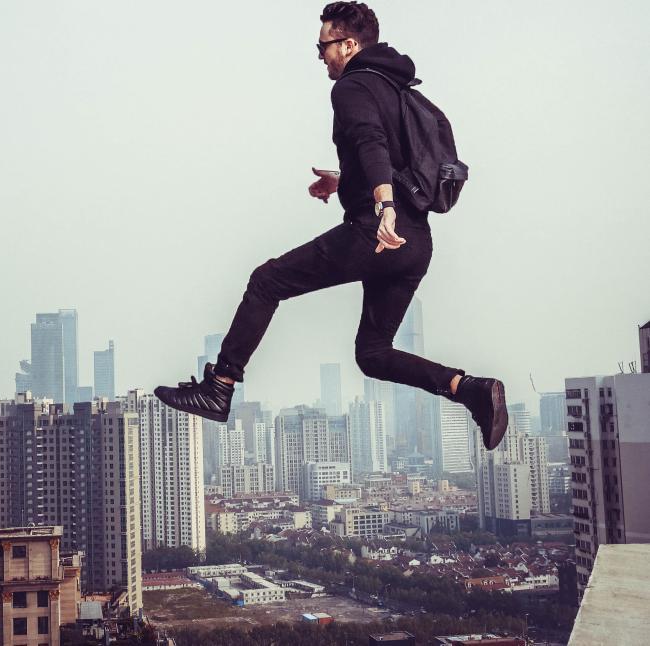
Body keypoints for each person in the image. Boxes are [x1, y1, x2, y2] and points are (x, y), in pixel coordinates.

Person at [154, 1, 508, 450]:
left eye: (323, 46)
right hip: (417, 243)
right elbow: (389, 158)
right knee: (373, 353)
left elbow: (370, 143)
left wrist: (383, 208)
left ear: (349, 43)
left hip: (380, 232)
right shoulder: (399, 90)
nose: (319, 55)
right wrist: (343, 183)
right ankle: (470, 389)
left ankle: (219, 386)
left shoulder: (352, 86)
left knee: (266, 281)